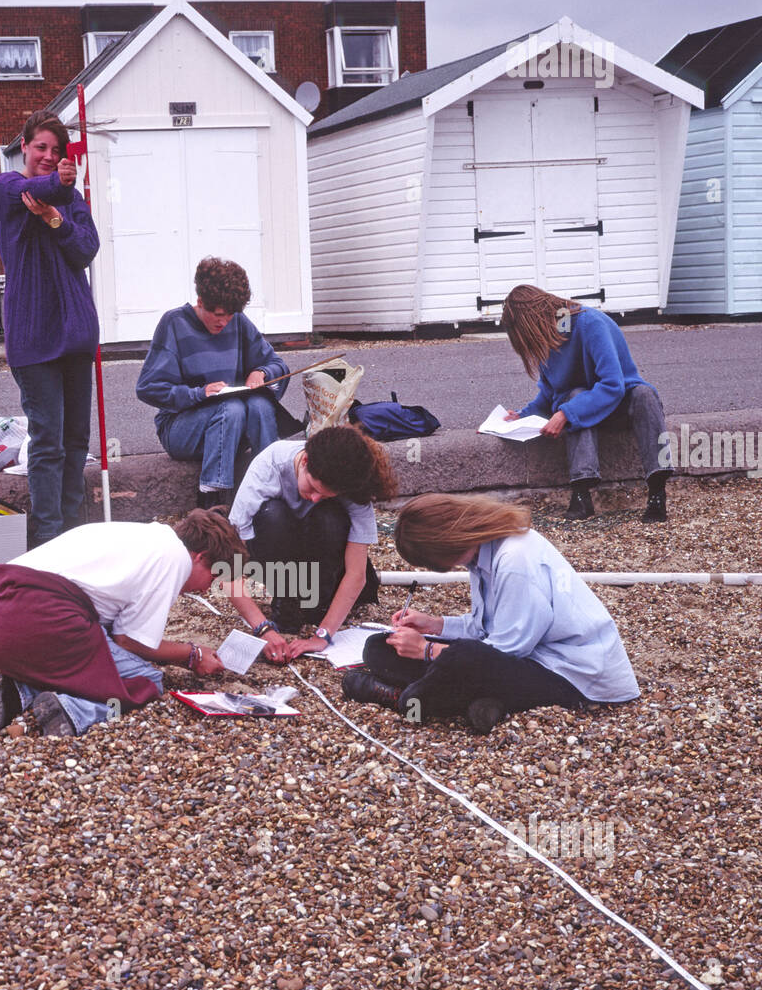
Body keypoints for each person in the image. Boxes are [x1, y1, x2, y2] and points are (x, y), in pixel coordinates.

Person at [341, 493, 639, 734]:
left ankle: (403, 698)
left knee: (460, 661)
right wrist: (435, 625)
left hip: (572, 674)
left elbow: (506, 649)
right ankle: (486, 703)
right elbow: (485, 628)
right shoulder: (481, 552)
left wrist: (427, 650)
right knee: (379, 647)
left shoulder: (514, 560)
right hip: (529, 658)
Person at [0, 510, 242, 738]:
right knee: (146, 680)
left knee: (90, 650)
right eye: (214, 576)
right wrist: (192, 654)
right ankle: (71, 710)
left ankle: (18, 690)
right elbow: (130, 642)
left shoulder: (141, 536)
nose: (208, 589)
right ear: (199, 557)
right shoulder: (175, 558)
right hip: (39, 620)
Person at [0, 109, 101, 548]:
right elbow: (38, 187)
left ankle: (72, 527)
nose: (49, 157)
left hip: (76, 335)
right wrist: (61, 182)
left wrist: (56, 217)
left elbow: (86, 249)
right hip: (34, 338)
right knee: (48, 438)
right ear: (24, 146)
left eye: (57, 152)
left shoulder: (70, 199)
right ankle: (48, 534)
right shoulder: (7, 187)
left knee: (76, 438)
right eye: (42, 148)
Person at [224, 425, 398, 662]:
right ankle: (286, 601)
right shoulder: (268, 467)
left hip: (322, 551)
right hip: (274, 548)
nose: (314, 498)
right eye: (314, 488)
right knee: (273, 515)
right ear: (305, 460)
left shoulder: (353, 487)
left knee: (330, 517)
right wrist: (262, 628)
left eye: (325, 495)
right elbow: (230, 568)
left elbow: (357, 573)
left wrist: (324, 635)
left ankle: (317, 601)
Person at [500, 284, 671, 523]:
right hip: (585, 411)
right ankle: (581, 494)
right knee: (575, 395)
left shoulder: (590, 324)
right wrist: (520, 416)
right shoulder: (549, 336)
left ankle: (657, 491)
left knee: (645, 395)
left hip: (621, 405)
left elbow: (613, 385)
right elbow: (549, 394)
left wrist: (565, 414)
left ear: (533, 321)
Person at [137, 257, 299, 509]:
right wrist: (199, 394)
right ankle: (213, 503)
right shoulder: (174, 324)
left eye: (231, 315)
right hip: (181, 429)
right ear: (200, 302)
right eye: (219, 314)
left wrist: (262, 373)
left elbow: (278, 365)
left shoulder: (237, 321)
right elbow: (148, 388)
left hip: (233, 427)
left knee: (260, 404)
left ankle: (271, 491)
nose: (224, 322)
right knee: (230, 409)